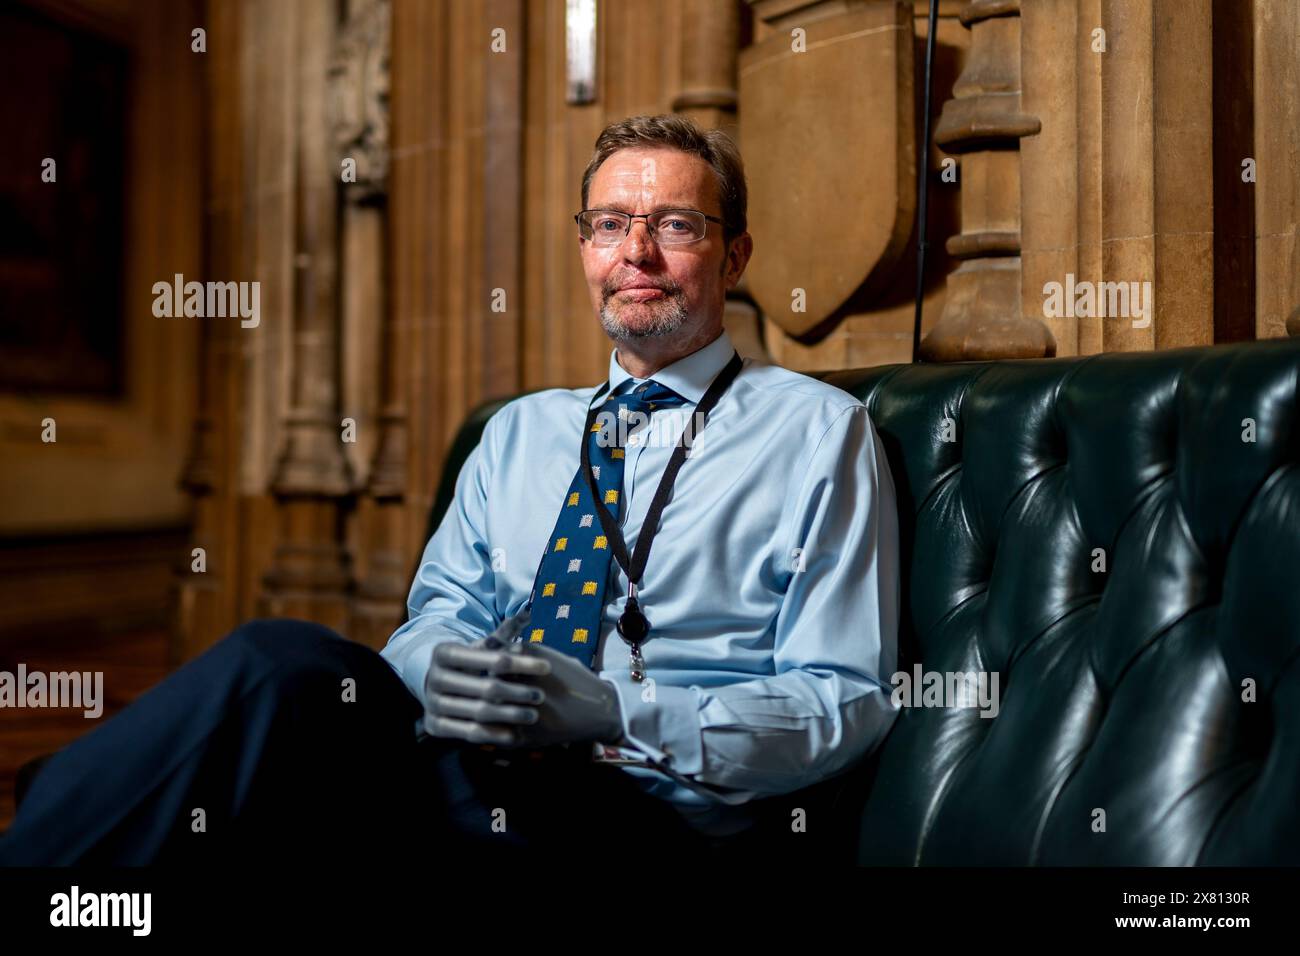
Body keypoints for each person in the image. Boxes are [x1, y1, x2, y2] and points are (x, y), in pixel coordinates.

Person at [0, 114, 900, 865]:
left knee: (187, 780)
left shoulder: (817, 430)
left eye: (674, 225)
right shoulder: (519, 431)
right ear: (583, 245)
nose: (636, 253)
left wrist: (617, 709)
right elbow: (432, 623)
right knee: (281, 674)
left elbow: (845, 698)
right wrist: (446, 678)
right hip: (461, 770)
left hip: (646, 809)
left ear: (733, 257)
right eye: (606, 224)